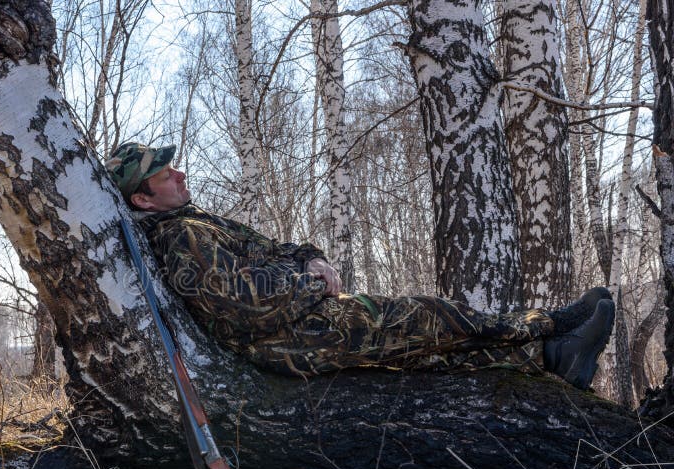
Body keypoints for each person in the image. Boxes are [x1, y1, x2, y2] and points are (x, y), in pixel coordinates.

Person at [105, 142, 615, 389]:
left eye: (172, 166)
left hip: (298, 323)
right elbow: (241, 304)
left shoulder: (198, 221)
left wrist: (312, 259)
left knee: (425, 354)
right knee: (427, 317)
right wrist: (308, 282)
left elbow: (276, 249)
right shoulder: (179, 235)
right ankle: (551, 326)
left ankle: (552, 359)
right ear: (144, 200)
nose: (179, 173)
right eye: (163, 174)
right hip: (282, 341)